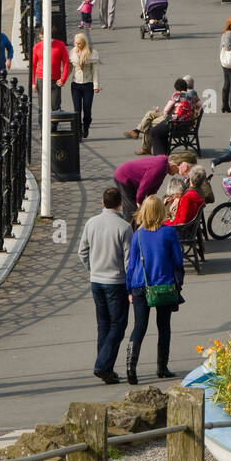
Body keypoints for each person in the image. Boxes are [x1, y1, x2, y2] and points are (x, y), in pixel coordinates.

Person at [125, 195, 185, 382]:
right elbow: (177, 261)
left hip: (140, 285)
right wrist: (179, 284)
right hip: (163, 285)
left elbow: (132, 265)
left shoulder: (138, 235)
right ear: (161, 211)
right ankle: (162, 367)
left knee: (139, 327)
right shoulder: (169, 233)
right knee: (164, 326)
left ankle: (131, 368)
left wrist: (129, 289)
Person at [78, 187, 132, 384]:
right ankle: (102, 364)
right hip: (116, 281)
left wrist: (92, 269)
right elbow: (128, 260)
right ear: (120, 204)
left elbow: (82, 252)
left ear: (103, 202)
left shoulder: (91, 223)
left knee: (103, 325)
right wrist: (131, 285)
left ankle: (106, 369)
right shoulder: (124, 227)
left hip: (96, 280)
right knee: (118, 325)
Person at [113, 154, 181, 223]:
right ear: (174, 166)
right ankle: (130, 230)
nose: (176, 173)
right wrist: (139, 201)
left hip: (130, 179)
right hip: (124, 177)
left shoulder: (164, 166)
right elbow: (145, 184)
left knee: (135, 208)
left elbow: (156, 184)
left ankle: (133, 226)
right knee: (132, 209)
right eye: (177, 171)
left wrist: (150, 198)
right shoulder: (161, 166)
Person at [31, 26, 70, 115]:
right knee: (42, 106)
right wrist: (33, 82)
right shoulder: (37, 47)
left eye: (42, 37)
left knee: (55, 106)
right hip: (41, 79)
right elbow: (33, 66)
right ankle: (42, 127)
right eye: (40, 37)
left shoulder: (60, 45)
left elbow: (66, 63)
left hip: (55, 80)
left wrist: (63, 79)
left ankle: (53, 127)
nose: (41, 39)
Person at [70, 33, 101, 139]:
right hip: (76, 85)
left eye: (79, 43)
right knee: (77, 110)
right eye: (75, 43)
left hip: (88, 84)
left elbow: (95, 71)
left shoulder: (92, 53)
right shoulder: (72, 52)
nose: (77, 45)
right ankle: (78, 132)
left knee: (87, 110)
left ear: (83, 43)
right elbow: (69, 68)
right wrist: (62, 79)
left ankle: (86, 126)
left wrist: (96, 85)